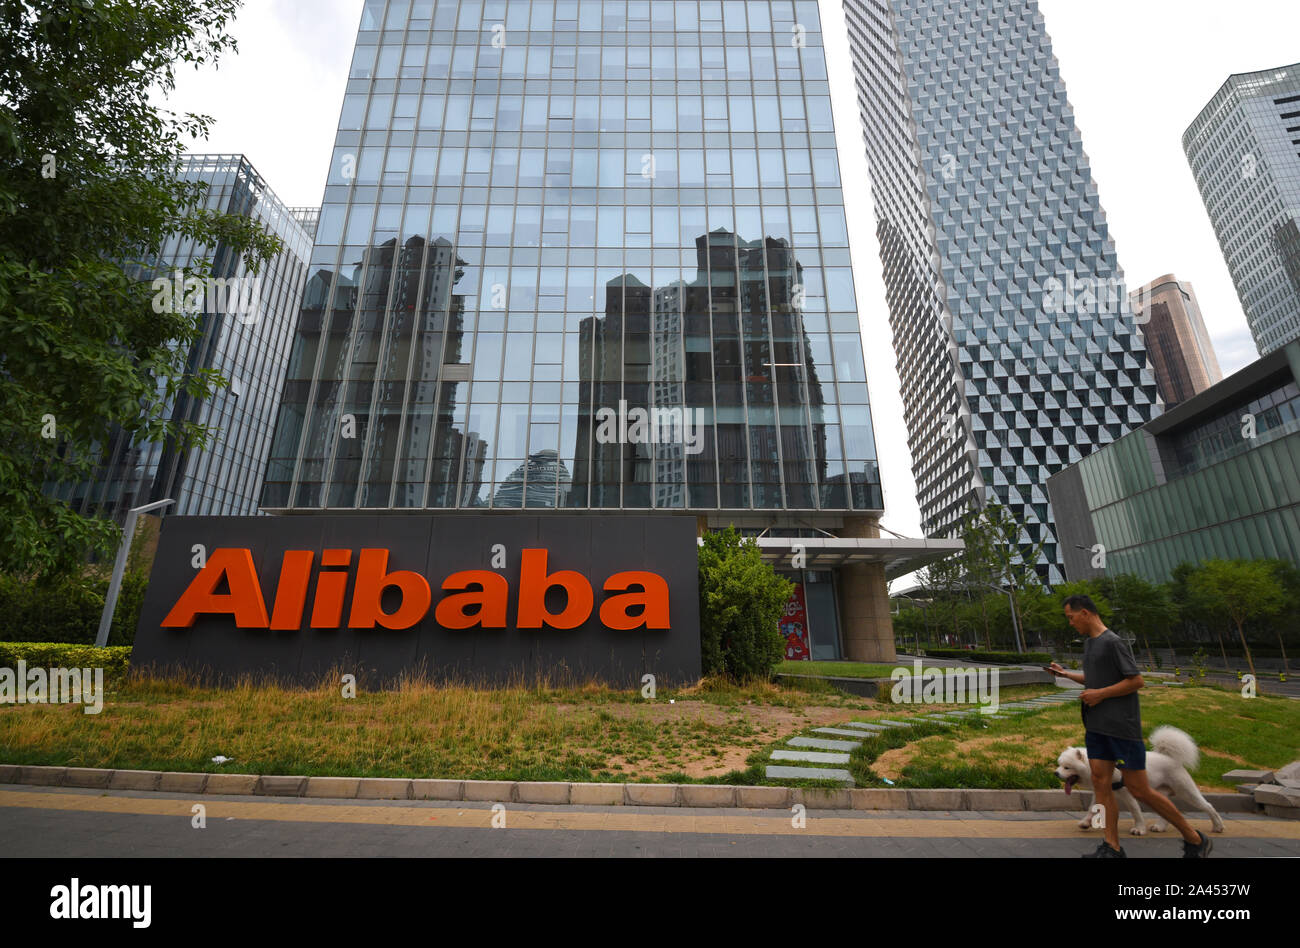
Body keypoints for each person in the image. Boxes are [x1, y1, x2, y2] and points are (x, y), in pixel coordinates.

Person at [1048, 595, 1212, 858]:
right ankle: (1111, 846)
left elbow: (1136, 680)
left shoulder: (1113, 642)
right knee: (1101, 785)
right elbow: (1094, 679)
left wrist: (1100, 694)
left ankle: (1194, 838)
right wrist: (1066, 674)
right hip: (1097, 728)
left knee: (1139, 789)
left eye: (1071, 617)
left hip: (1121, 729)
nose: (1070, 623)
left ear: (1086, 613)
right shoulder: (1090, 644)